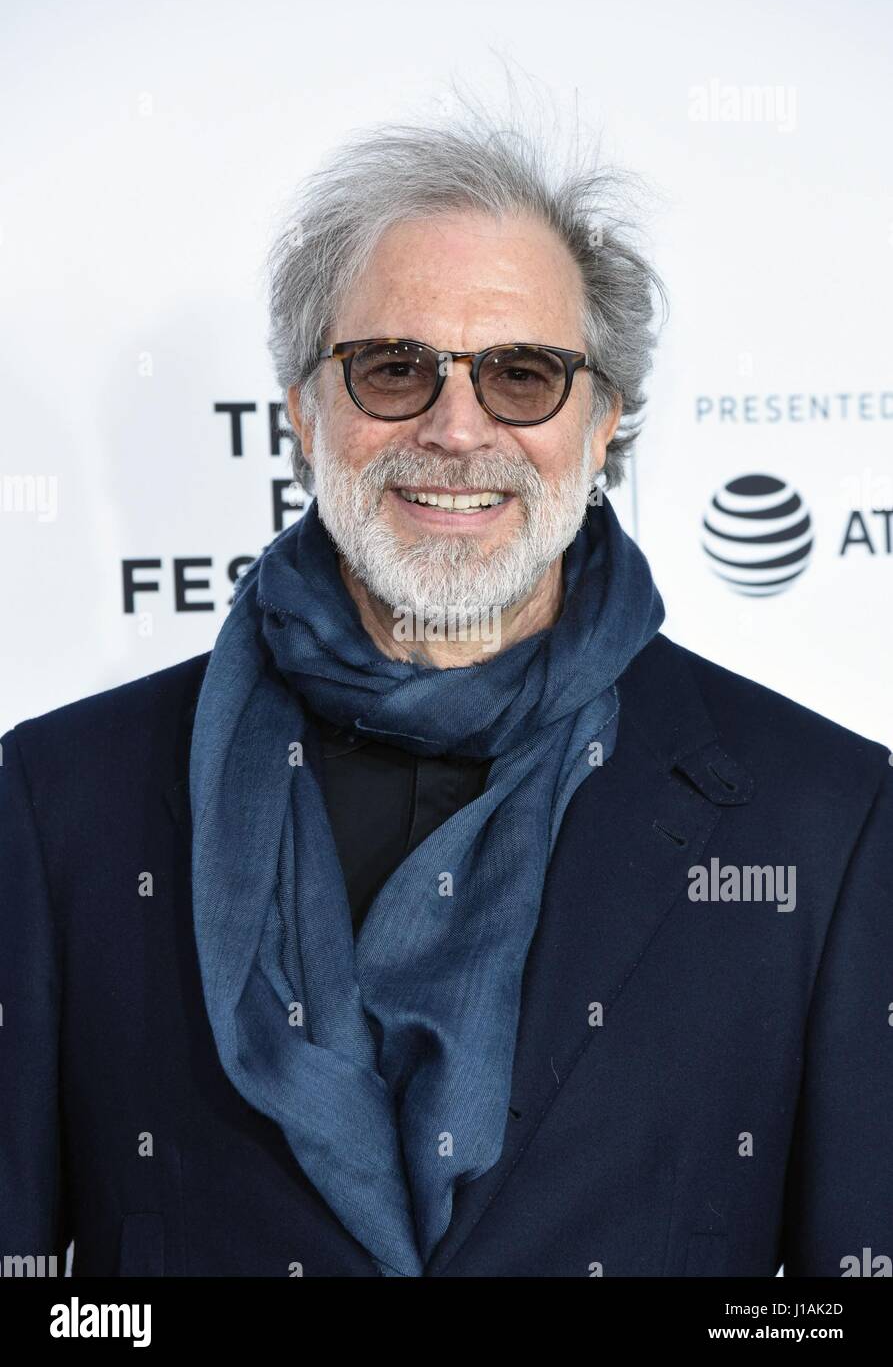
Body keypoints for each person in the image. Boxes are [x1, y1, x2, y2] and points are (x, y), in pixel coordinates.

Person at [2, 107, 891, 1279]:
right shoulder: (61, 799)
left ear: (602, 421)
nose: (456, 426)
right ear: (303, 415)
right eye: (392, 368)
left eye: (522, 373)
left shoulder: (819, 815)